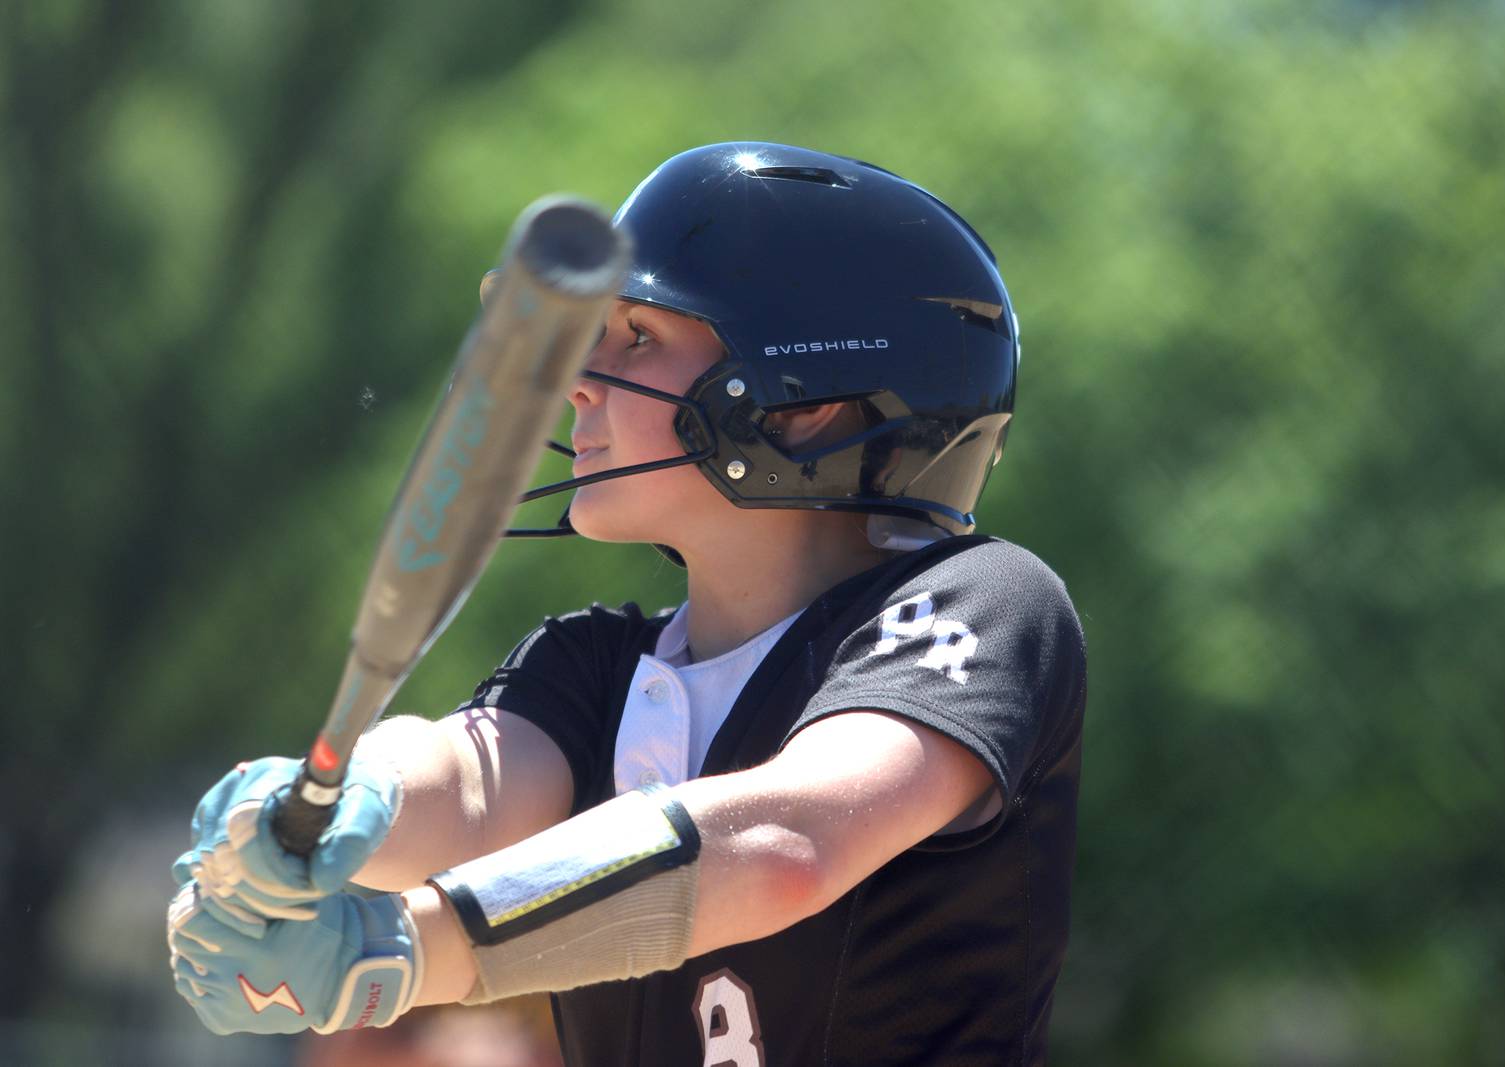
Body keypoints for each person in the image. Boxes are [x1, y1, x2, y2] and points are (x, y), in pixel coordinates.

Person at [167, 141, 1086, 1067]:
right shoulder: (594, 664)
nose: (576, 377)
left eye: (637, 335)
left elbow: (783, 844)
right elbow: (470, 782)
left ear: (804, 403)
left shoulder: (980, 602)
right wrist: (322, 803)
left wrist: (411, 948)